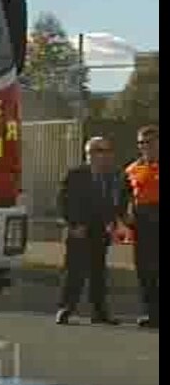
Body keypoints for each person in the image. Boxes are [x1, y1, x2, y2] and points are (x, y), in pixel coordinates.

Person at [55, 136, 130, 325]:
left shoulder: (115, 175)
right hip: (79, 229)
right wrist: (73, 224)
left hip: (101, 230)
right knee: (75, 271)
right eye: (97, 151)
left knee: (99, 273)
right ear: (87, 154)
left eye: (105, 151)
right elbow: (63, 201)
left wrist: (116, 221)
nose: (102, 156)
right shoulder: (76, 174)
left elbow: (120, 199)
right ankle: (66, 308)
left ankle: (100, 312)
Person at [124, 125, 159, 328]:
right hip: (142, 224)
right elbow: (123, 196)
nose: (146, 146)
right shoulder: (132, 169)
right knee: (146, 271)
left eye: (150, 142)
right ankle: (152, 314)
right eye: (141, 143)